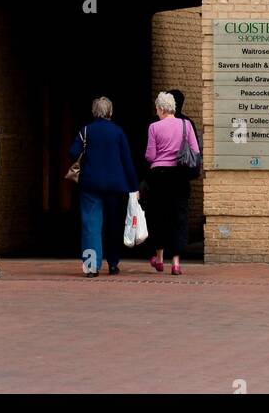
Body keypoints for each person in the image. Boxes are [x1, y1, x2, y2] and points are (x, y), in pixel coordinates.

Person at [68, 96, 139, 277]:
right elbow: (127, 161)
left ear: (94, 111)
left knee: (91, 225)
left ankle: (91, 266)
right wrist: (134, 186)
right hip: (116, 185)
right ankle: (113, 264)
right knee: (114, 225)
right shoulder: (118, 132)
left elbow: (73, 152)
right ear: (110, 112)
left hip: (90, 184)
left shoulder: (86, 130)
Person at [145, 90, 200, 276]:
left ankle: (159, 259)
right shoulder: (186, 124)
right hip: (180, 176)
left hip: (159, 177)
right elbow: (195, 151)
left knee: (159, 217)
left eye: (157, 109)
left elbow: (151, 156)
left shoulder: (154, 127)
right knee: (179, 217)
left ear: (161, 108)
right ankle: (176, 263)